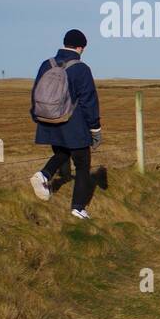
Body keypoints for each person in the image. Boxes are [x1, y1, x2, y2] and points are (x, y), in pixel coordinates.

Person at [29, 29, 102, 219]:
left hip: (49, 120)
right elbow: (89, 101)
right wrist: (95, 128)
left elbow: (36, 92)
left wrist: (36, 116)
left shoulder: (47, 64)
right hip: (73, 124)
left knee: (62, 152)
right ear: (80, 47)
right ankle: (78, 207)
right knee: (83, 165)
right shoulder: (81, 68)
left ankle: (44, 175)